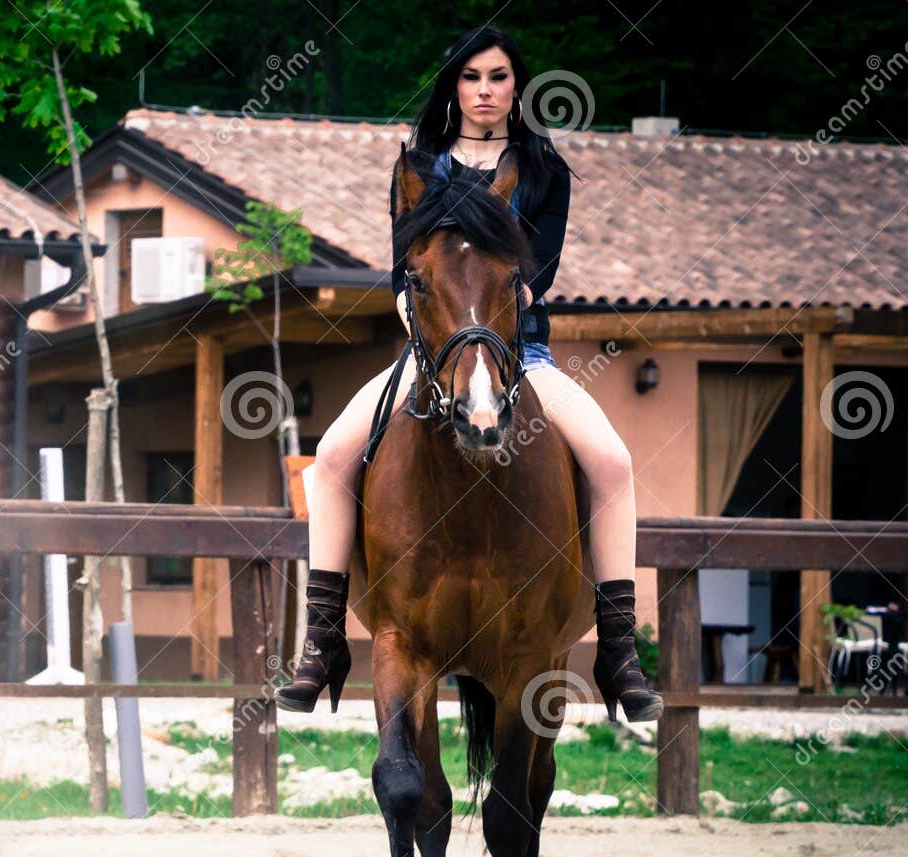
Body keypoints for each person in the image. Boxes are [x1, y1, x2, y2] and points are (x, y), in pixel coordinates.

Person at [277, 24, 664, 725]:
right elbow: (403, 272)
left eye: (498, 78)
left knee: (611, 459)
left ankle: (618, 650)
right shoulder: (419, 166)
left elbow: (532, 281)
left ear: (516, 87)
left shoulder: (544, 170)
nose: (484, 91)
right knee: (331, 458)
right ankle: (323, 640)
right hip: (429, 354)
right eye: (471, 78)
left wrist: (492, 338)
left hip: (521, 354)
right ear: (453, 85)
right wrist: (415, 320)